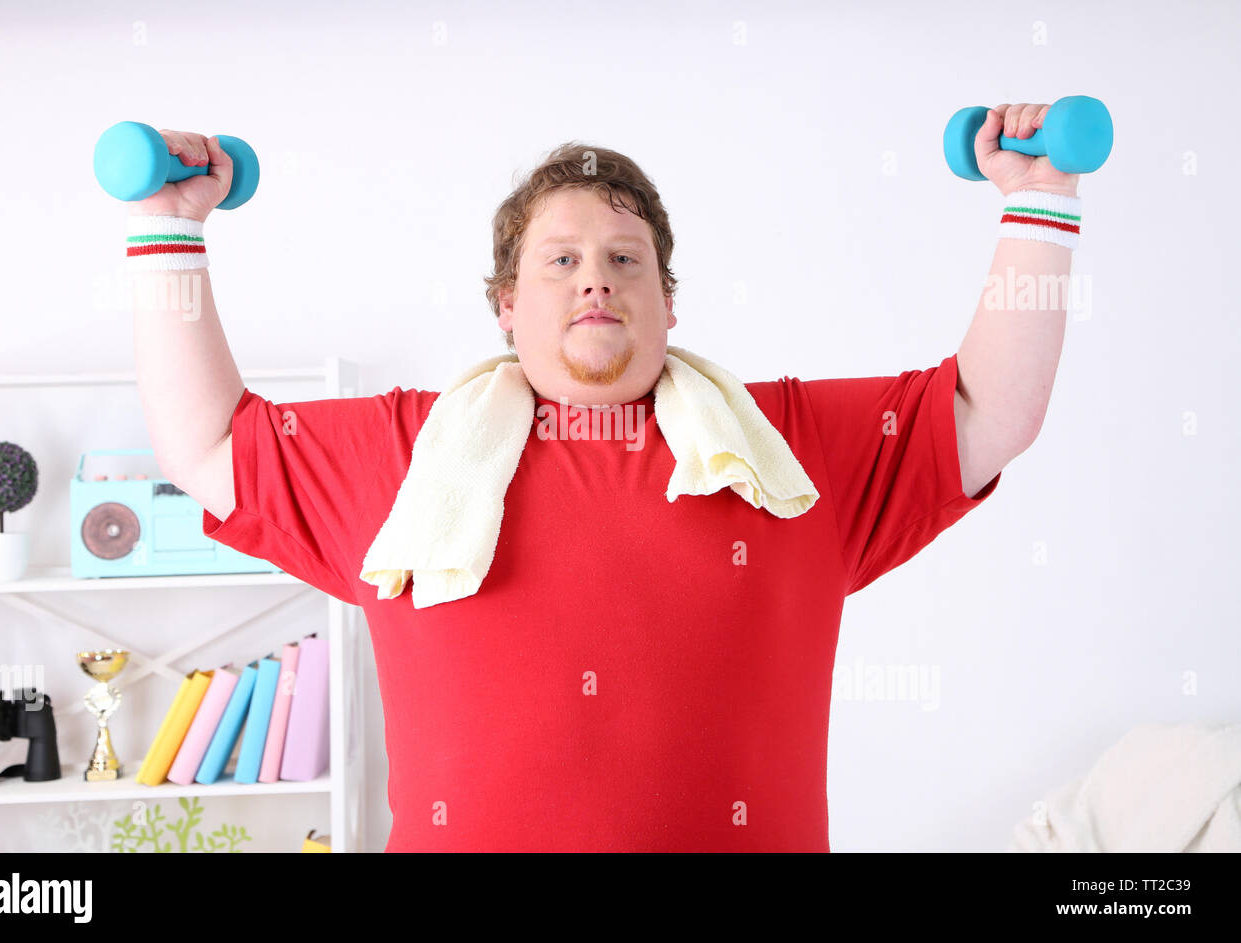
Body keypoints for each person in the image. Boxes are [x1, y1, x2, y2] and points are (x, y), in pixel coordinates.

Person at [128, 108, 1077, 851]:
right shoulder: (407, 454)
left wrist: (1041, 200)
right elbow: (207, 446)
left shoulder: (784, 450)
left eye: (626, 260)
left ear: (668, 301)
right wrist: (167, 227)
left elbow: (987, 413)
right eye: (561, 261)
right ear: (505, 305)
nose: (597, 280)